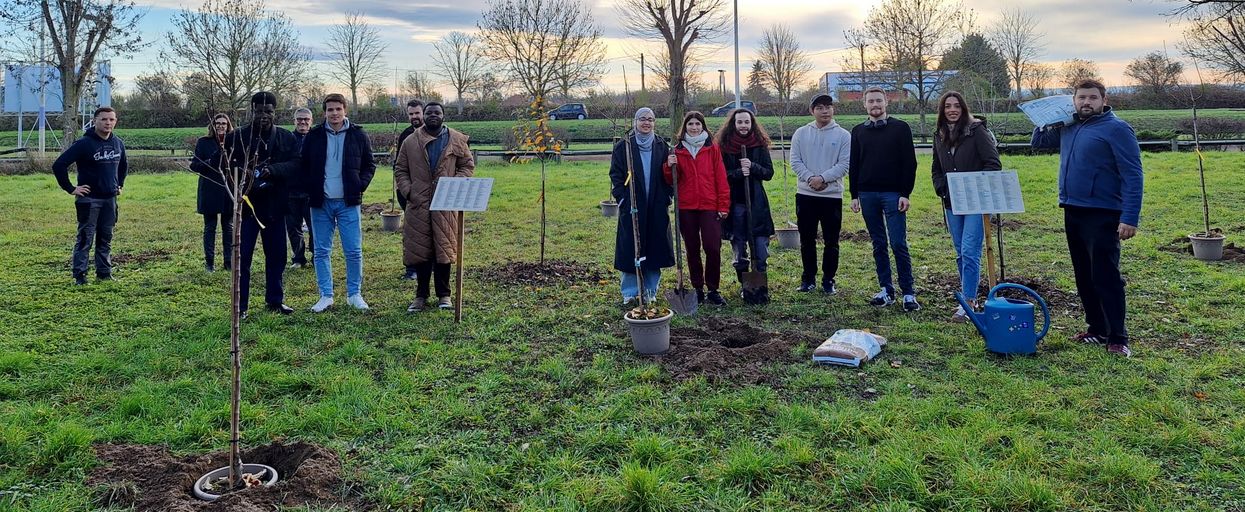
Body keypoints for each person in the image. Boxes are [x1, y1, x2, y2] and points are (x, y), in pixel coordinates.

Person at [1032, 79, 1143, 358]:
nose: (1086, 102)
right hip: (1073, 209)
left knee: (1105, 276)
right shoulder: (1069, 126)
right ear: (1073, 101)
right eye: (1081, 97)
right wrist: (1045, 120)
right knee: (1083, 274)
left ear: (1104, 101)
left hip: (1103, 212)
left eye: (1092, 98)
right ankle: (1096, 328)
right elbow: (1039, 143)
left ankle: (1118, 337)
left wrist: (1130, 217)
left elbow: (1133, 174)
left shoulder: (1117, 129)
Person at [299, 93, 377, 312]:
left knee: (353, 251)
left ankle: (354, 294)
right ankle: (326, 295)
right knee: (321, 251)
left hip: (348, 203)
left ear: (345, 110)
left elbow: (369, 165)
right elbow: (303, 165)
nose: (334, 113)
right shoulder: (314, 136)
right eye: (330, 109)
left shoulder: (358, 134)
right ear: (324, 112)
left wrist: (359, 186)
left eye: (338, 109)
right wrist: (310, 187)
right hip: (320, 203)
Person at [226, 91, 300, 318]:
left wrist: (273, 170)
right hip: (247, 209)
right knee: (242, 258)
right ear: (252, 111)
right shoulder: (237, 137)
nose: (264, 116)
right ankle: (240, 306)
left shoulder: (286, 138)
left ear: (274, 112)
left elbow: (296, 164)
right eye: (259, 111)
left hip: (275, 207)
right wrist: (244, 173)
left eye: (268, 111)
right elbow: (226, 165)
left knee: (277, 256)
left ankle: (275, 300)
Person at [395, 102, 475, 312]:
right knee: (420, 249)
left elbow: (467, 166)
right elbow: (400, 169)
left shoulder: (456, 139)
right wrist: (409, 191)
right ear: (424, 115)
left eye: (437, 112)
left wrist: (453, 185)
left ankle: (444, 295)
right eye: (429, 112)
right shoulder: (410, 141)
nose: (433, 115)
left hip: (445, 203)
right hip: (419, 203)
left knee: (443, 248)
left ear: (443, 115)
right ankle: (420, 295)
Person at [931, 91, 1002, 323]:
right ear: (942, 110)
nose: (952, 110)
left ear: (963, 108)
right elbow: (936, 167)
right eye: (947, 106)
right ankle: (966, 294)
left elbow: (993, 164)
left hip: (975, 202)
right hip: (952, 201)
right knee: (960, 251)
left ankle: (969, 301)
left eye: (957, 106)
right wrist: (941, 187)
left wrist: (974, 185)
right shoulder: (939, 134)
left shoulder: (976, 131)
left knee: (970, 250)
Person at [849, 86, 920, 312]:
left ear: (886, 102)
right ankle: (886, 290)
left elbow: (909, 163)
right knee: (878, 243)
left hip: (893, 194)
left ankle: (908, 293)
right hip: (867, 194)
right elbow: (854, 164)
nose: (875, 105)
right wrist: (854, 195)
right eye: (871, 101)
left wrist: (905, 193)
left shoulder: (900, 128)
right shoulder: (858, 131)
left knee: (898, 243)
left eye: (878, 101)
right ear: (864, 104)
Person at [53, 106, 128, 286]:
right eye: (104, 119)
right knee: (85, 238)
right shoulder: (84, 143)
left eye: (111, 119)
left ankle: (104, 273)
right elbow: (59, 165)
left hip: (109, 199)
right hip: (89, 200)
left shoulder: (118, 143)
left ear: (115, 121)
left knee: (105, 237)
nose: (108, 123)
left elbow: (123, 166)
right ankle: (80, 276)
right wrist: (71, 188)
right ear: (95, 121)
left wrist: (119, 185)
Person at [662, 111, 729, 306]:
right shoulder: (677, 150)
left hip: (710, 205)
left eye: (697, 124)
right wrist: (668, 166)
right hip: (687, 206)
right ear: (685, 127)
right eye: (690, 124)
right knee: (692, 248)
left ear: (703, 126)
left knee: (712, 247)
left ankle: (713, 289)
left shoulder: (712, 148)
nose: (694, 127)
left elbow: (721, 177)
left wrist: (723, 205)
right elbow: (670, 180)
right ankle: (698, 288)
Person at [609, 107, 674, 306]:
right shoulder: (624, 146)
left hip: (656, 205)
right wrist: (623, 199)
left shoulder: (662, 146)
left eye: (650, 119)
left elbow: (669, 175)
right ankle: (630, 292)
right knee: (631, 246)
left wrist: (667, 196)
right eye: (643, 119)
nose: (647, 123)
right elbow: (616, 175)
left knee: (655, 246)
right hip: (632, 205)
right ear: (635, 121)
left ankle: (650, 291)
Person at [790, 94, 851, 295]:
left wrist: (823, 178)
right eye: (820, 107)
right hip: (805, 195)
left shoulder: (843, 136)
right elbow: (795, 161)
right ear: (812, 111)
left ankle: (828, 279)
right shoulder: (801, 133)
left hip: (831, 196)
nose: (825, 111)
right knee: (807, 239)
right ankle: (808, 278)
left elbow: (844, 164)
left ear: (833, 109)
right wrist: (810, 178)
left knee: (831, 241)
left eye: (828, 107)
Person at [717, 108, 774, 301]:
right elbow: (722, 175)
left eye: (746, 122)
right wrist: (739, 172)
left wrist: (753, 166)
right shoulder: (725, 147)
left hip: (757, 205)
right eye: (739, 122)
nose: (743, 125)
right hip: (736, 205)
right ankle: (746, 286)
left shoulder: (759, 145)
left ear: (752, 124)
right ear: (733, 124)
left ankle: (760, 286)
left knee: (760, 249)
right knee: (739, 249)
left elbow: (769, 173)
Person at [190, 113, 234, 272]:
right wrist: (210, 162)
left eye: (224, 123)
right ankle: (209, 263)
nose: (221, 126)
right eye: (218, 123)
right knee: (210, 227)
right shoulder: (203, 142)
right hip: (209, 189)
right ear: (213, 125)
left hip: (227, 189)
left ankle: (228, 262)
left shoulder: (233, 142)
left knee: (228, 227)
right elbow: (194, 165)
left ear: (228, 126)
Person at [397, 99, 424, 280]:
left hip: (430, 191)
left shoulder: (434, 132)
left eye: (417, 113)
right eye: (411, 114)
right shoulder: (405, 136)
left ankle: (429, 265)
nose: (414, 117)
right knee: (411, 232)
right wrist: (405, 190)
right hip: (410, 192)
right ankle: (411, 268)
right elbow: (399, 166)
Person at [286, 107, 315, 269]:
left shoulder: (317, 138)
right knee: (293, 227)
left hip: (311, 192)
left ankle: (316, 256)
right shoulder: (288, 139)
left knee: (315, 227)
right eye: (299, 119)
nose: (302, 122)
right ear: (294, 121)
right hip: (291, 191)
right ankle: (298, 258)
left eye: (306, 119)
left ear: (311, 121)